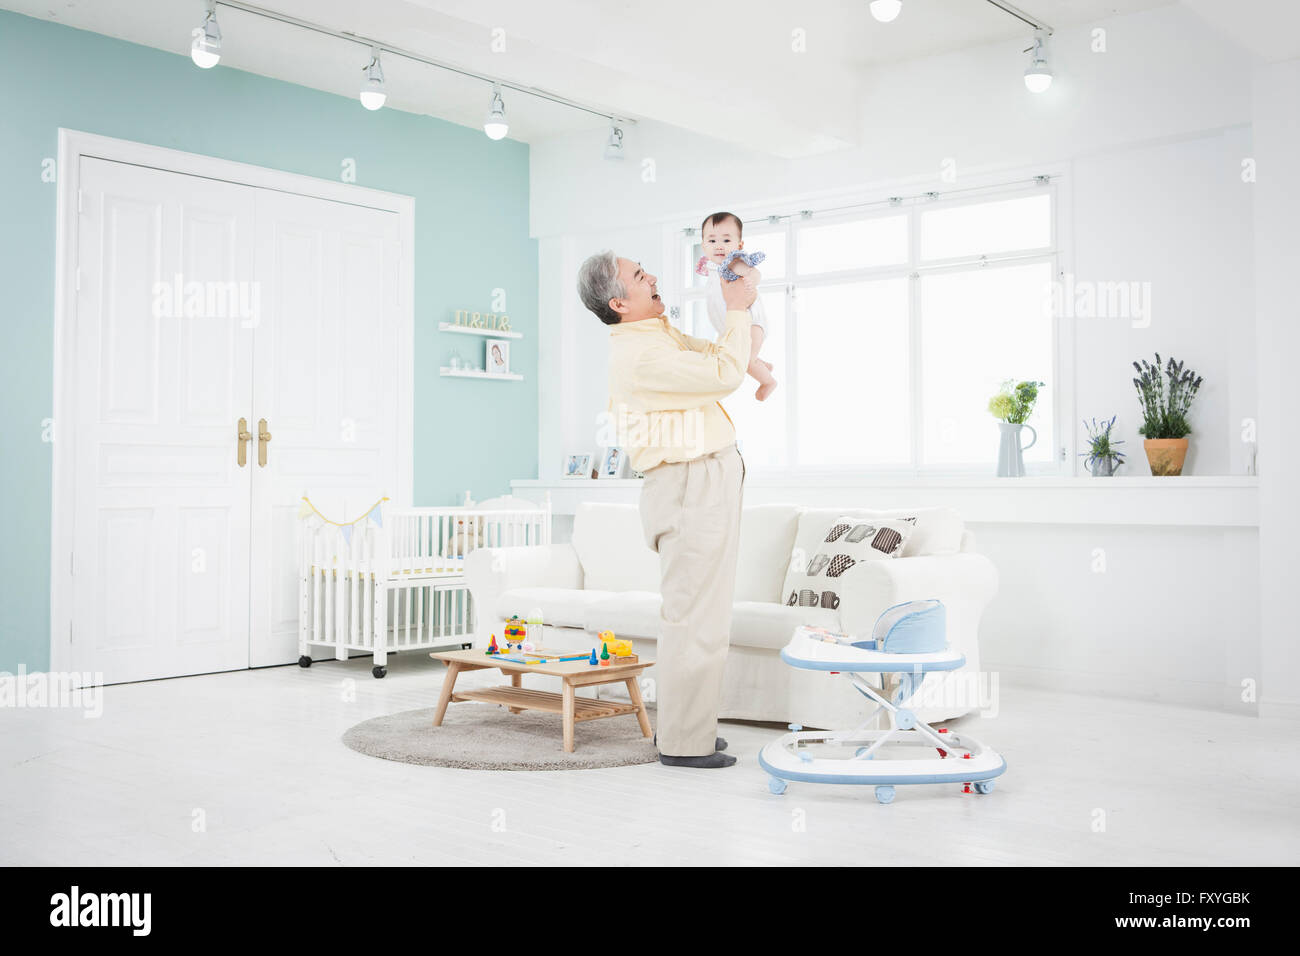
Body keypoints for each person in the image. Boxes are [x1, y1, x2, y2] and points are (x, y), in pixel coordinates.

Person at [576, 249, 753, 768]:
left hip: (700, 479)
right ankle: (682, 743)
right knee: (694, 618)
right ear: (618, 302)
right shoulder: (642, 355)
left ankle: (684, 728)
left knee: (700, 614)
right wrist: (737, 309)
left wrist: (739, 307)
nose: (651, 276)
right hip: (689, 484)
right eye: (638, 275)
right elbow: (725, 373)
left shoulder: (655, 335)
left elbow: (721, 355)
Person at [698, 211, 777, 401]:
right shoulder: (711, 267)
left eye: (726, 241)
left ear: (739, 246)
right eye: (712, 241)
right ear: (703, 245)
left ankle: (768, 382)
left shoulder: (732, 263)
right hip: (729, 327)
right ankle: (761, 364)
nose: (719, 246)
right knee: (728, 358)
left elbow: (754, 272)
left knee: (744, 361)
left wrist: (751, 279)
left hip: (750, 322)